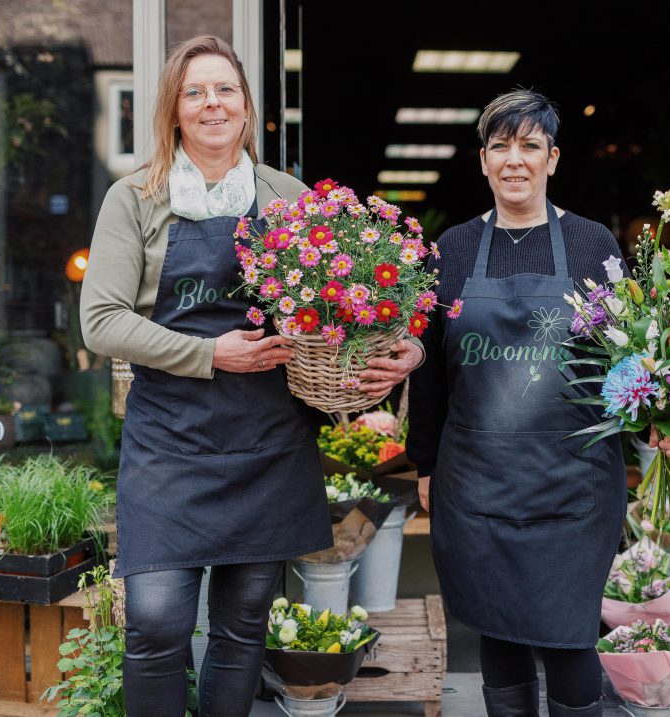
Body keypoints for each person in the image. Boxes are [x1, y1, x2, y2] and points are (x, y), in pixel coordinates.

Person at [81, 36, 419, 715]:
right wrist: (211, 353)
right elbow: (102, 322)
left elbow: (352, 306)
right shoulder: (135, 199)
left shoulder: (287, 197)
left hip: (266, 441)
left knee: (241, 629)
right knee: (155, 623)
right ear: (174, 108)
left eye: (225, 90)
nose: (212, 104)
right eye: (196, 91)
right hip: (169, 444)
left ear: (246, 106)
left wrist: (404, 345)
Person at [407, 89, 670, 717]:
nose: (515, 160)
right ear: (483, 160)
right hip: (476, 483)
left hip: (574, 488)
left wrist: (658, 426)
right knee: (498, 636)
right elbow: (427, 372)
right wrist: (424, 462)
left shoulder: (592, 245)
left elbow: (632, 353)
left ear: (552, 158)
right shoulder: (450, 251)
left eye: (529, 146)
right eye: (501, 146)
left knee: (569, 642)